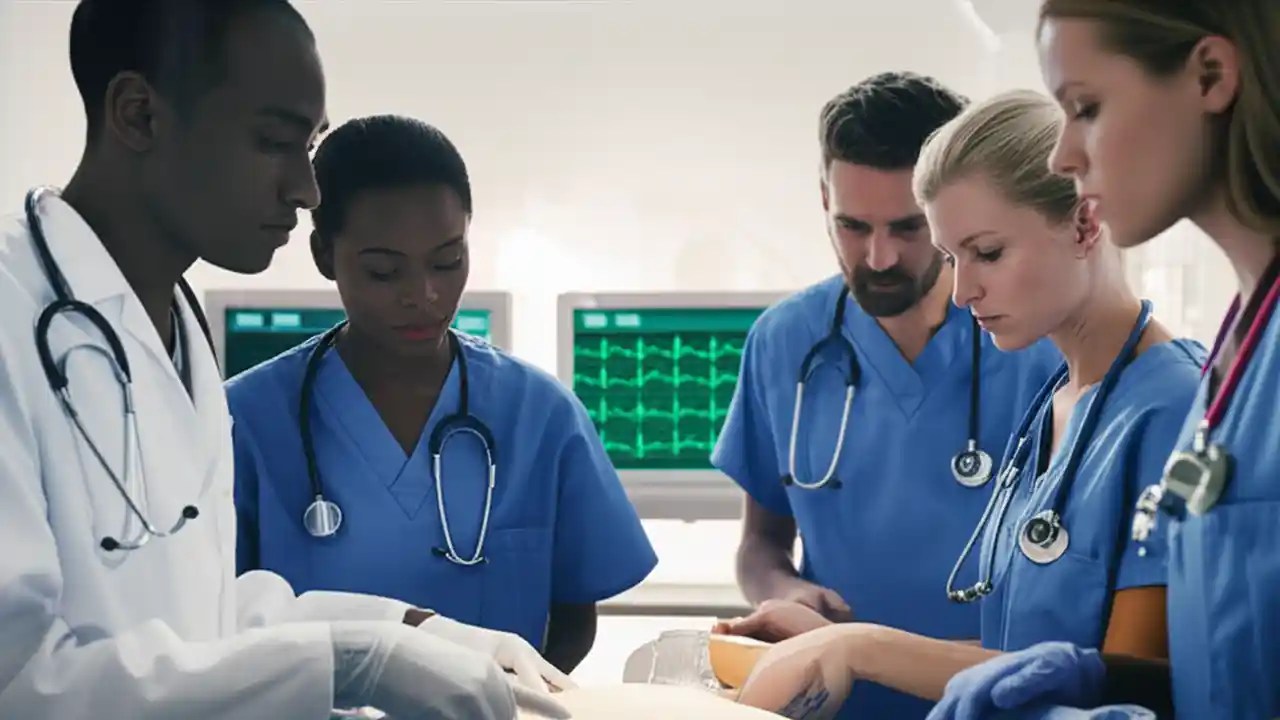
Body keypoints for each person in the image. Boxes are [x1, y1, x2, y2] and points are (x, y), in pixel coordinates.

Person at [0, 2, 569, 718]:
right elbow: (20, 685)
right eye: (274, 141)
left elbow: (197, 617)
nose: (305, 190)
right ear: (140, 115)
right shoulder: (12, 316)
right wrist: (348, 664)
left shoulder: (171, 326)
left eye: (311, 145)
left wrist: (411, 632)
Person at [724, 88, 1205, 718]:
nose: (961, 292)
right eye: (954, 257)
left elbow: (1124, 688)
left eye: (988, 253)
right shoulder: (1060, 405)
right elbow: (1023, 663)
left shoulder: (1171, 408)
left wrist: (860, 646)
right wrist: (830, 641)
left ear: (1086, 223)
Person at [927, 1, 1280, 718]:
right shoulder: (1237, 358)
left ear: (1211, 74)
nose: (1063, 156)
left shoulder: (1178, 390)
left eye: (1085, 107)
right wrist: (1104, 682)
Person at [226, 114, 658, 675]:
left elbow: (573, 621)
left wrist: (503, 703)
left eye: (448, 261)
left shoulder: (540, 416)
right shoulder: (247, 421)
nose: (424, 294)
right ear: (324, 256)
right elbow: (218, 625)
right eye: (384, 272)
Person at [709, 71, 1062, 718]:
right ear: (823, 198)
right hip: (834, 701)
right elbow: (760, 542)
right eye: (852, 226)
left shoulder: (1037, 346)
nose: (876, 257)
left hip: (998, 701)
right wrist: (783, 587)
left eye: (906, 228)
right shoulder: (784, 342)